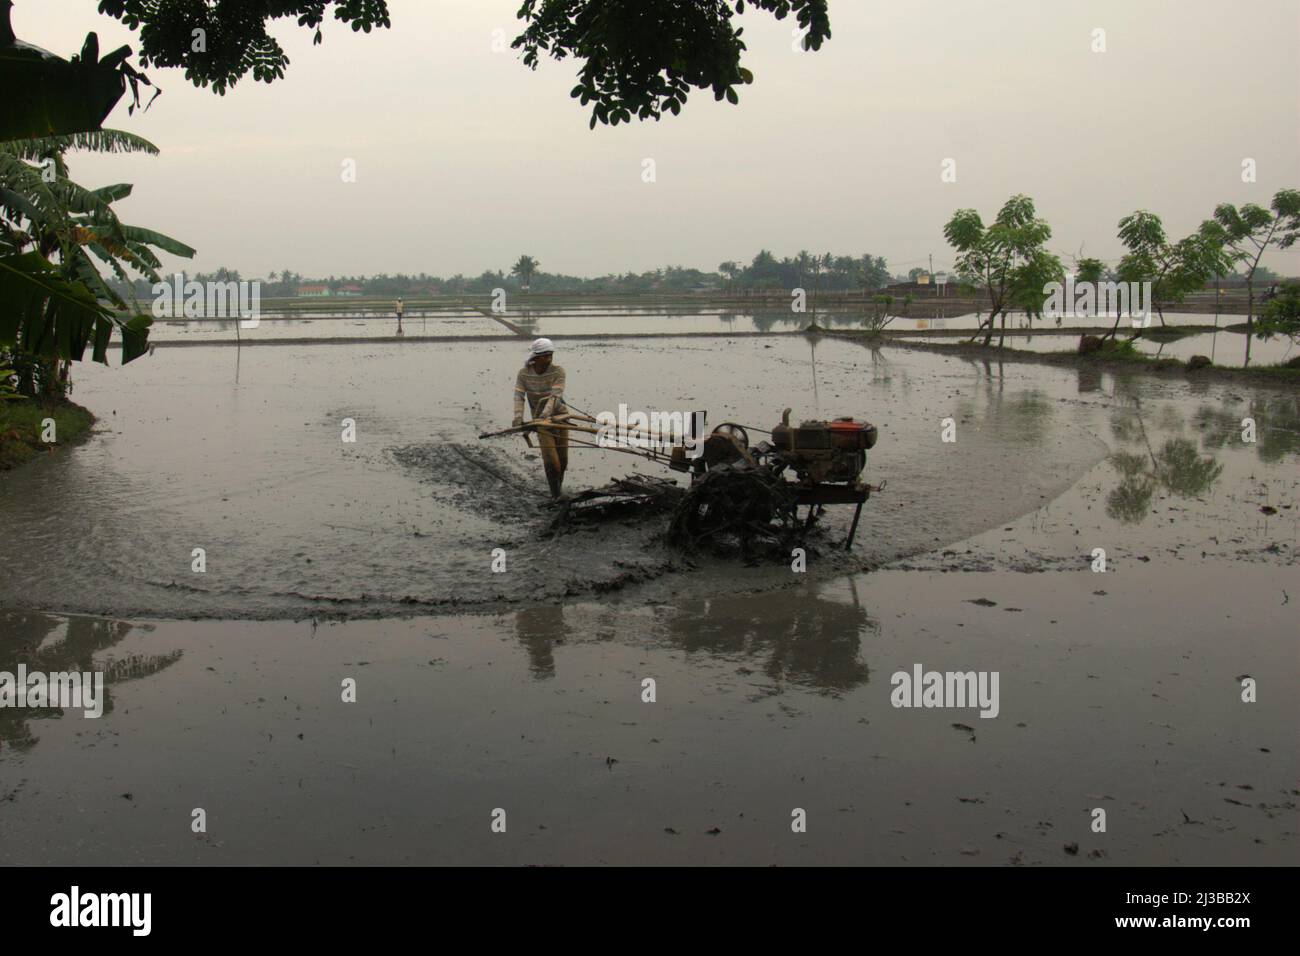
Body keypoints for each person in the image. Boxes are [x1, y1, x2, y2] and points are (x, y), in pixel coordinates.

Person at [513, 337, 568, 497]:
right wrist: (518, 417)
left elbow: (555, 396)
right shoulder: (523, 374)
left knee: (563, 461)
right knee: (552, 462)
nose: (549, 358)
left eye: (551, 354)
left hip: (561, 418)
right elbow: (519, 396)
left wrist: (545, 415)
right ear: (535, 357)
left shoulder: (558, 371)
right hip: (541, 423)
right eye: (545, 355)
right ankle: (555, 495)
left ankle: (558, 490)